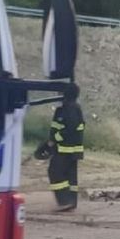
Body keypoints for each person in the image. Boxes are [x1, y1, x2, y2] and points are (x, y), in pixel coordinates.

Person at [47, 83, 85, 212]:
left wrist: (54, 140)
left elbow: (70, 128)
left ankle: (64, 201)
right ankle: (71, 202)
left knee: (55, 172)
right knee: (70, 175)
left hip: (64, 149)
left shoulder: (68, 109)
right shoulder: (72, 108)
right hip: (71, 150)